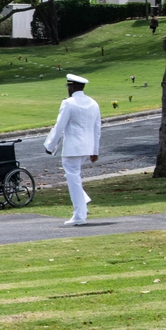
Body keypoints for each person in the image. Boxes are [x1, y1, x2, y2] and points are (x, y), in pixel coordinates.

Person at [44, 73, 101, 226]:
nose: (68, 89)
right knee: (73, 176)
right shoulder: (93, 103)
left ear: (73, 86)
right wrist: (95, 150)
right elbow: (97, 128)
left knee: (73, 178)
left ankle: (79, 215)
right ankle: (83, 203)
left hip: (73, 148)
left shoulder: (68, 103)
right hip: (87, 147)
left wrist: (49, 145)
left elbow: (59, 126)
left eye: (69, 86)